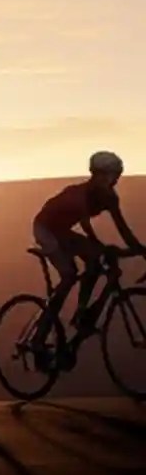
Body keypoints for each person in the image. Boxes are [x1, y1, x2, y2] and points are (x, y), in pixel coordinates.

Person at [31, 151, 144, 369]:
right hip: (45, 227)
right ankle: (39, 338)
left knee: (95, 260)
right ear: (98, 175)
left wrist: (140, 249)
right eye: (112, 175)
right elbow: (85, 225)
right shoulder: (80, 195)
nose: (116, 180)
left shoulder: (110, 197)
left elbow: (123, 228)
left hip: (62, 230)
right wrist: (100, 247)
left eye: (117, 175)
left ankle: (81, 314)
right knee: (69, 275)